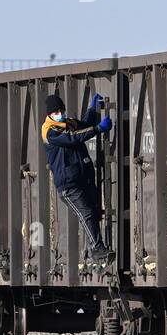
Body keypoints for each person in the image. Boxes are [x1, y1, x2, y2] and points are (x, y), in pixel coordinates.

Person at [41, 92, 113, 261]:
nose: (60, 114)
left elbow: (84, 126)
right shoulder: (50, 132)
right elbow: (73, 138)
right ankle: (97, 249)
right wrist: (98, 129)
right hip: (68, 185)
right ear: (49, 114)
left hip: (82, 180)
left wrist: (92, 110)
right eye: (56, 112)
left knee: (93, 212)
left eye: (61, 110)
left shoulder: (68, 123)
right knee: (86, 213)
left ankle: (99, 247)